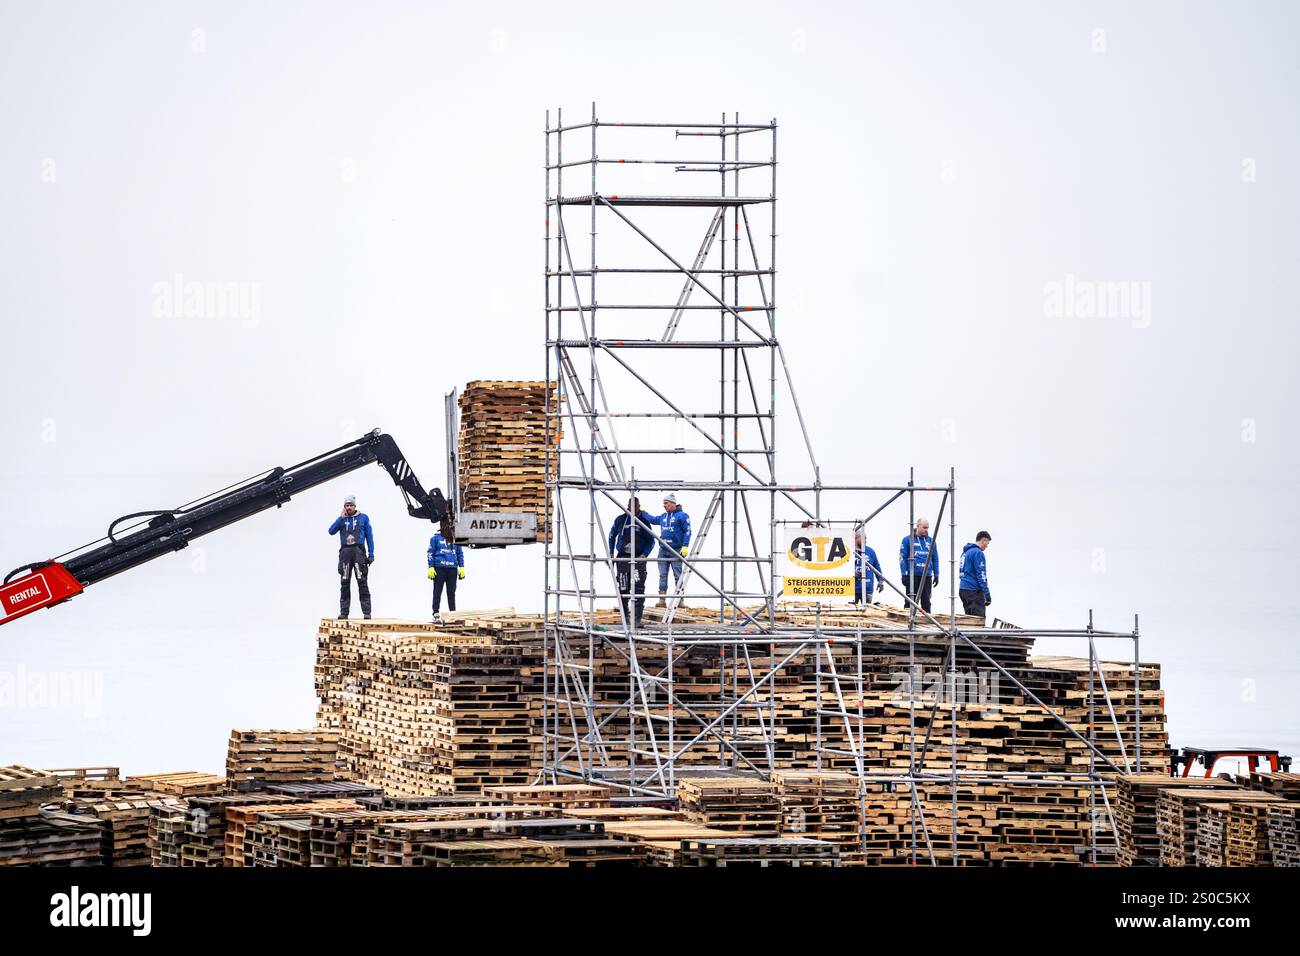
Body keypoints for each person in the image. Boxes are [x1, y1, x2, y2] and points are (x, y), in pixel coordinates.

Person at [607, 498, 656, 628]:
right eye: (630, 506)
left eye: (635, 506)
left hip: (638, 559)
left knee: (638, 587)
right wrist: (611, 553)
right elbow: (612, 535)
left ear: (639, 506)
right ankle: (625, 617)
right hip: (623, 558)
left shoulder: (644, 521)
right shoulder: (620, 519)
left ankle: (637, 619)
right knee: (623, 587)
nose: (632, 508)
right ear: (627, 506)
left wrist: (644, 555)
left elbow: (651, 541)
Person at [328, 495, 374, 620]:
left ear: (355, 506)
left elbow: (370, 536)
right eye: (346, 505)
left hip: (359, 552)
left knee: (362, 582)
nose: (349, 507)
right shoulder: (342, 520)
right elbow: (331, 531)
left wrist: (371, 554)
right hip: (345, 554)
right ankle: (344, 613)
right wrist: (340, 518)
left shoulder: (363, 518)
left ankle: (367, 612)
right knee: (344, 583)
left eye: (351, 505)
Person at [652, 493, 692, 607]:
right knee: (663, 574)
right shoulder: (663, 517)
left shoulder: (682, 516)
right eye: (663, 503)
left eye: (666, 503)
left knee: (678, 574)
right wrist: (641, 512)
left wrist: (685, 546)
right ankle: (662, 600)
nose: (664, 505)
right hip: (663, 550)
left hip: (676, 549)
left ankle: (680, 600)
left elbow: (688, 531)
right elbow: (653, 519)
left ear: (673, 503)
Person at [899, 518, 938, 613]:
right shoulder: (907, 539)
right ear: (918, 526)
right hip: (912, 575)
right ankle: (908, 622)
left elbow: (935, 558)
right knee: (910, 602)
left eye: (927, 528)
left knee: (926, 602)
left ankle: (927, 623)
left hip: (926, 575)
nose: (926, 530)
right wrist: (904, 574)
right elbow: (902, 558)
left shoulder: (931, 541)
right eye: (924, 527)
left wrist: (936, 574)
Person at [427, 529, 465, 622]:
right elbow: (430, 552)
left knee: (451, 593)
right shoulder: (435, 538)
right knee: (437, 591)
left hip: (452, 569)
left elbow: (460, 553)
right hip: (439, 568)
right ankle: (435, 613)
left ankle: (453, 613)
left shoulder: (456, 538)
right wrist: (431, 566)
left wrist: (461, 567)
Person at [959, 531, 992, 620]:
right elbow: (981, 574)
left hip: (963, 589)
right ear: (983, 540)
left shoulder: (965, 552)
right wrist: (987, 593)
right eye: (987, 543)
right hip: (973, 591)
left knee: (969, 620)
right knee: (978, 621)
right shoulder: (978, 553)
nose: (987, 546)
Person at [853, 529, 883, 605]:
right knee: (852, 611)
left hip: (867, 588)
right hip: (853, 589)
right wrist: (853, 573)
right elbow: (844, 568)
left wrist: (880, 581)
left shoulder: (870, 551)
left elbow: (877, 567)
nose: (866, 541)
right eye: (864, 538)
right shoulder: (850, 551)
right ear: (856, 538)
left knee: (867, 611)